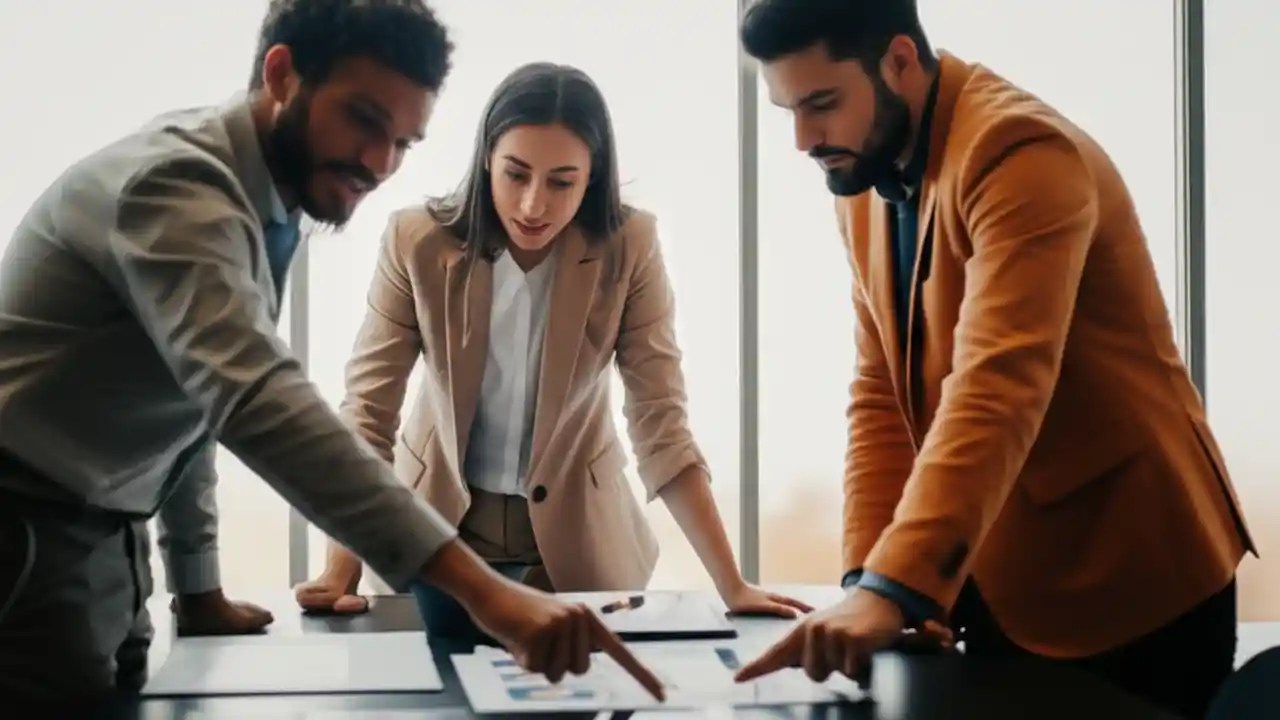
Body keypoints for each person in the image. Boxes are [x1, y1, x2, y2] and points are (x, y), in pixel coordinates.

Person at [0, 0, 661, 707]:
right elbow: (252, 397)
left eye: (404, 142)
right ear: (281, 73)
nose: (381, 163)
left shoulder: (257, 205)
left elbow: (189, 396)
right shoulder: (181, 190)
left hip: (110, 536)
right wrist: (487, 594)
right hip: (31, 527)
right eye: (365, 120)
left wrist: (196, 586)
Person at [732, 1, 1253, 717]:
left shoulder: (1021, 153)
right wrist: (869, 581)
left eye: (821, 103)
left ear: (900, 62)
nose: (802, 139)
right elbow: (882, 388)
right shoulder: (862, 175)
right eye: (787, 108)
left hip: (1134, 582)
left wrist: (893, 589)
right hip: (1004, 579)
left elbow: (997, 387)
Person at [292, 61, 812, 637]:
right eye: (516, 174)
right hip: (434, 542)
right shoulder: (416, 241)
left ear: (592, 178)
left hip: (580, 549)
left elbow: (660, 422)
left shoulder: (629, 247)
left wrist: (732, 584)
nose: (533, 205)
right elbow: (369, 410)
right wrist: (341, 567)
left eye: (562, 181)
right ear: (487, 157)